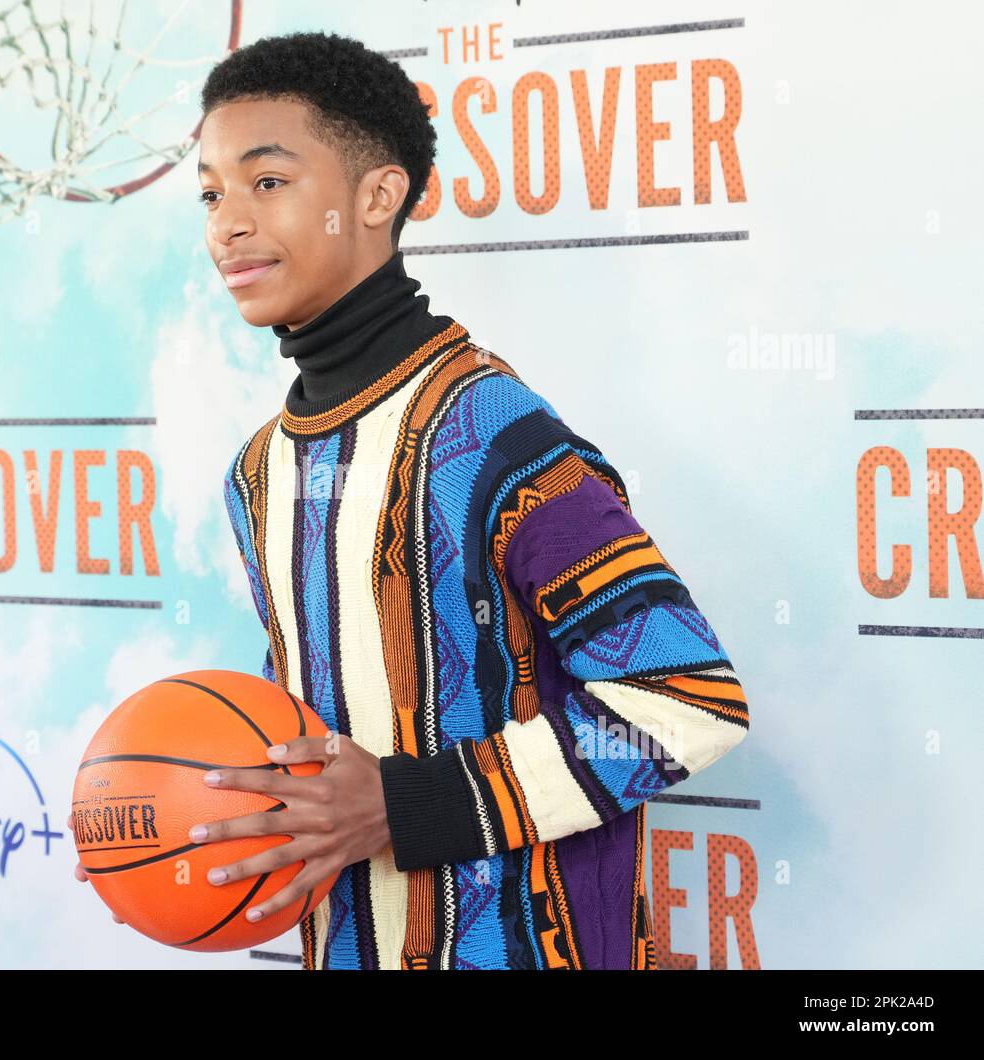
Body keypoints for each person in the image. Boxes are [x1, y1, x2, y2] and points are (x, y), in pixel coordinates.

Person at [75, 30, 751, 970]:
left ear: (376, 196)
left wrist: (407, 805)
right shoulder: (258, 473)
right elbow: (307, 743)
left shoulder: (491, 433)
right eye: (212, 193)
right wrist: (172, 857)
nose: (227, 224)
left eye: (267, 181)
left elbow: (685, 699)